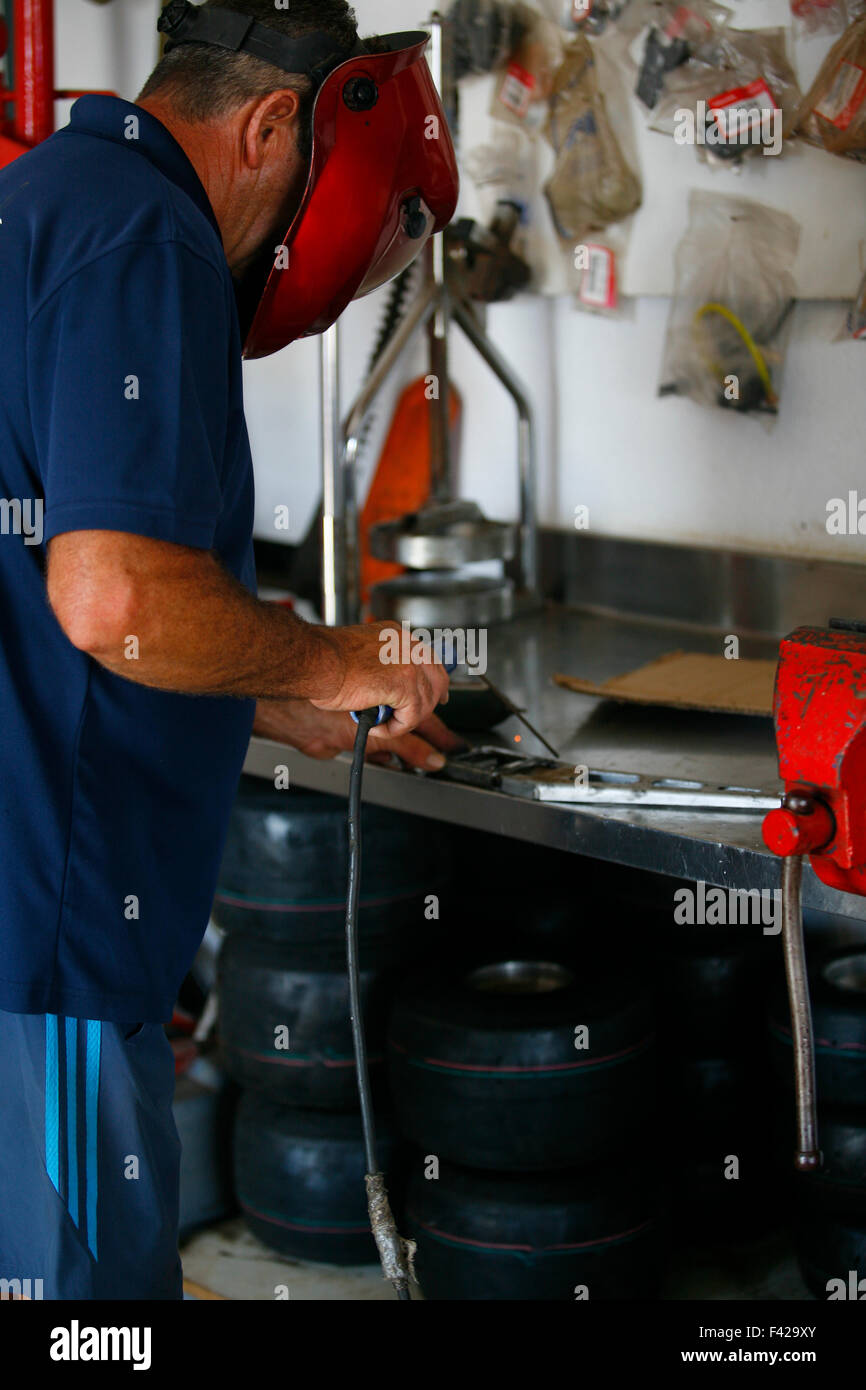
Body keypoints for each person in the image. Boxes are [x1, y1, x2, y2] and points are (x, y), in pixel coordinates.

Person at [0, 0, 460, 1299]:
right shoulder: (149, 235)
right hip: (51, 957)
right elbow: (109, 595)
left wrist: (275, 697)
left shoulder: (48, 200)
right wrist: (329, 663)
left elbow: (51, 587)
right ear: (268, 125)